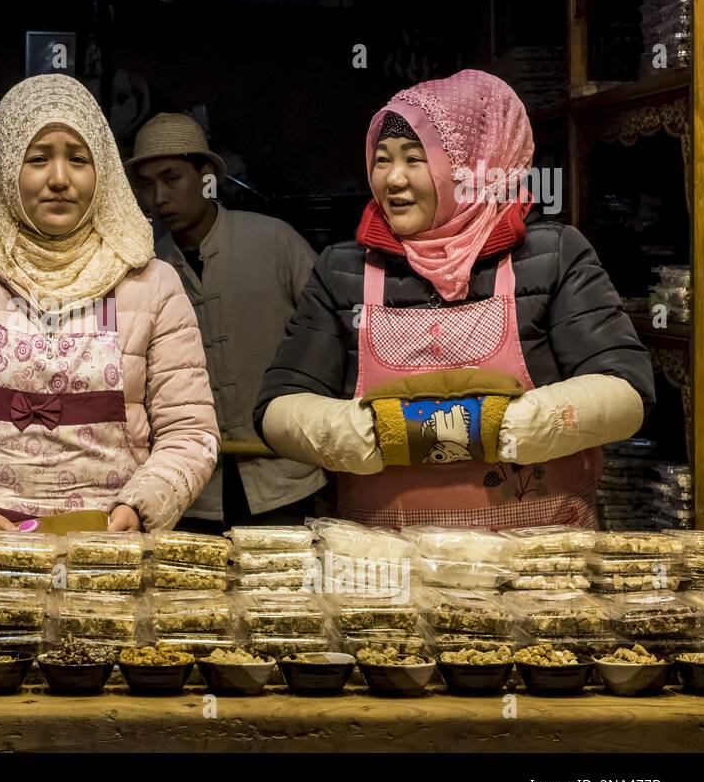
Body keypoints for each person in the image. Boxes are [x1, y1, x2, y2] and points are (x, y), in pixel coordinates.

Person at [254, 70, 654, 531]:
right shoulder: (342, 270)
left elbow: (628, 392)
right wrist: (376, 434)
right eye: (382, 160)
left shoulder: (553, 255)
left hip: (538, 561)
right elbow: (277, 409)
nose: (393, 179)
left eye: (416, 159)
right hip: (385, 565)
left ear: (471, 166)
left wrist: (494, 425)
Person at [0, 74, 220, 534]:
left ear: (103, 172)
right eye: (38, 159)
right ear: (4, 168)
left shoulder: (152, 285)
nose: (60, 179)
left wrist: (141, 507)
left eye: (78, 159)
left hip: (109, 555)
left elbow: (190, 434)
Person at [128, 113, 325, 533]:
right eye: (146, 185)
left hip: (284, 479)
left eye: (171, 178)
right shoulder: (147, 269)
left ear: (207, 176)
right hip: (192, 493)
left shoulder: (275, 241)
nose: (159, 197)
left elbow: (327, 344)